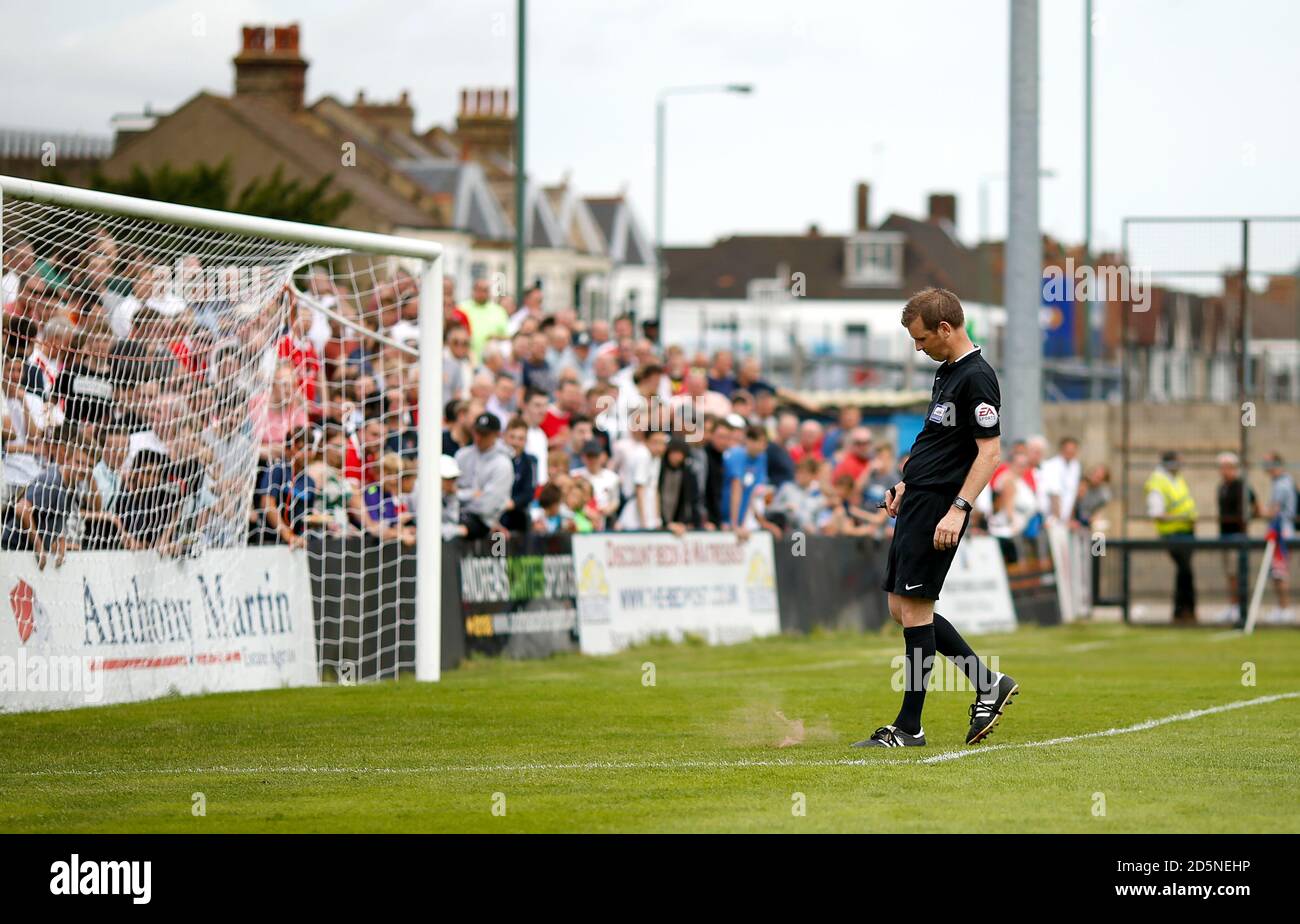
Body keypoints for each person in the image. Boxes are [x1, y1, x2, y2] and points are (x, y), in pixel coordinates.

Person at [856, 287, 1017, 749]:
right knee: (901, 607)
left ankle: (909, 726)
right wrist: (906, 484)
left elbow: (990, 453)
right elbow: (939, 440)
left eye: (921, 338)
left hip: (941, 507)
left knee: (915, 609)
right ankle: (987, 682)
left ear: (945, 329)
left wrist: (958, 508)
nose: (917, 347)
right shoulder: (947, 373)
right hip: (920, 499)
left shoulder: (978, 377)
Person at [1144, 450, 1198, 624]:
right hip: (1172, 533)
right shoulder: (1157, 482)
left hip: (1187, 532)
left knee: (1186, 572)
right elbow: (1156, 512)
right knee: (1185, 571)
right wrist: (1180, 518)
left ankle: (1185, 611)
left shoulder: (1177, 479)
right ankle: (1182, 612)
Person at [453, 412, 514, 540]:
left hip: (485, 522)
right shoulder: (462, 455)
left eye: (484, 434)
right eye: (476, 432)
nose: (478, 437)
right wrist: (472, 494)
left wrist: (460, 495)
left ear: (496, 434)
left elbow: (486, 506)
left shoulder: (502, 464)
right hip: (454, 513)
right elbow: (449, 491)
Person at [1215, 452, 1257, 624]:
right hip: (1225, 535)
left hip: (1237, 535)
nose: (1224, 471)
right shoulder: (1222, 487)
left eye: (1227, 467)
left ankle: (1240, 607)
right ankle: (1233, 606)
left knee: (1237, 573)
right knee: (1229, 573)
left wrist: (1247, 521)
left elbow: (1255, 505)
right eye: (1222, 467)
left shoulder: (1241, 486)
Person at [1262, 452, 1296, 623]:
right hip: (1277, 532)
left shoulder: (1283, 484)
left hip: (1282, 532)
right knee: (1276, 573)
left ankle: (1285, 609)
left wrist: (1260, 510)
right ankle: (1281, 607)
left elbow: (1273, 511)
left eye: (1267, 463)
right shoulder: (1278, 483)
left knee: (1280, 572)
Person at [723, 425, 770, 532]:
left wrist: (760, 520)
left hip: (741, 518)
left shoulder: (761, 458)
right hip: (725, 518)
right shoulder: (736, 455)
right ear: (749, 441)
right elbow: (736, 489)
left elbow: (753, 492)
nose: (763, 446)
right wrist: (734, 524)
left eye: (765, 443)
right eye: (760, 442)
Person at [658, 438, 702, 536]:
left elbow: (693, 500)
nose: (676, 456)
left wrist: (694, 522)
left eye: (679, 453)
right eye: (674, 452)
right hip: (659, 521)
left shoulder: (688, 474)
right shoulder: (659, 470)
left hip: (681, 523)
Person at [1039, 436, 1082, 524]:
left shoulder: (1076, 466)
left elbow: (1072, 495)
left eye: (1073, 449)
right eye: (1068, 449)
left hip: (1065, 518)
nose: (1070, 452)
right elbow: (1054, 494)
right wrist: (1058, 520)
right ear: (1061, 449)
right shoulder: (1051, 465)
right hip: (1051, 517)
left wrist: (1070, 518)